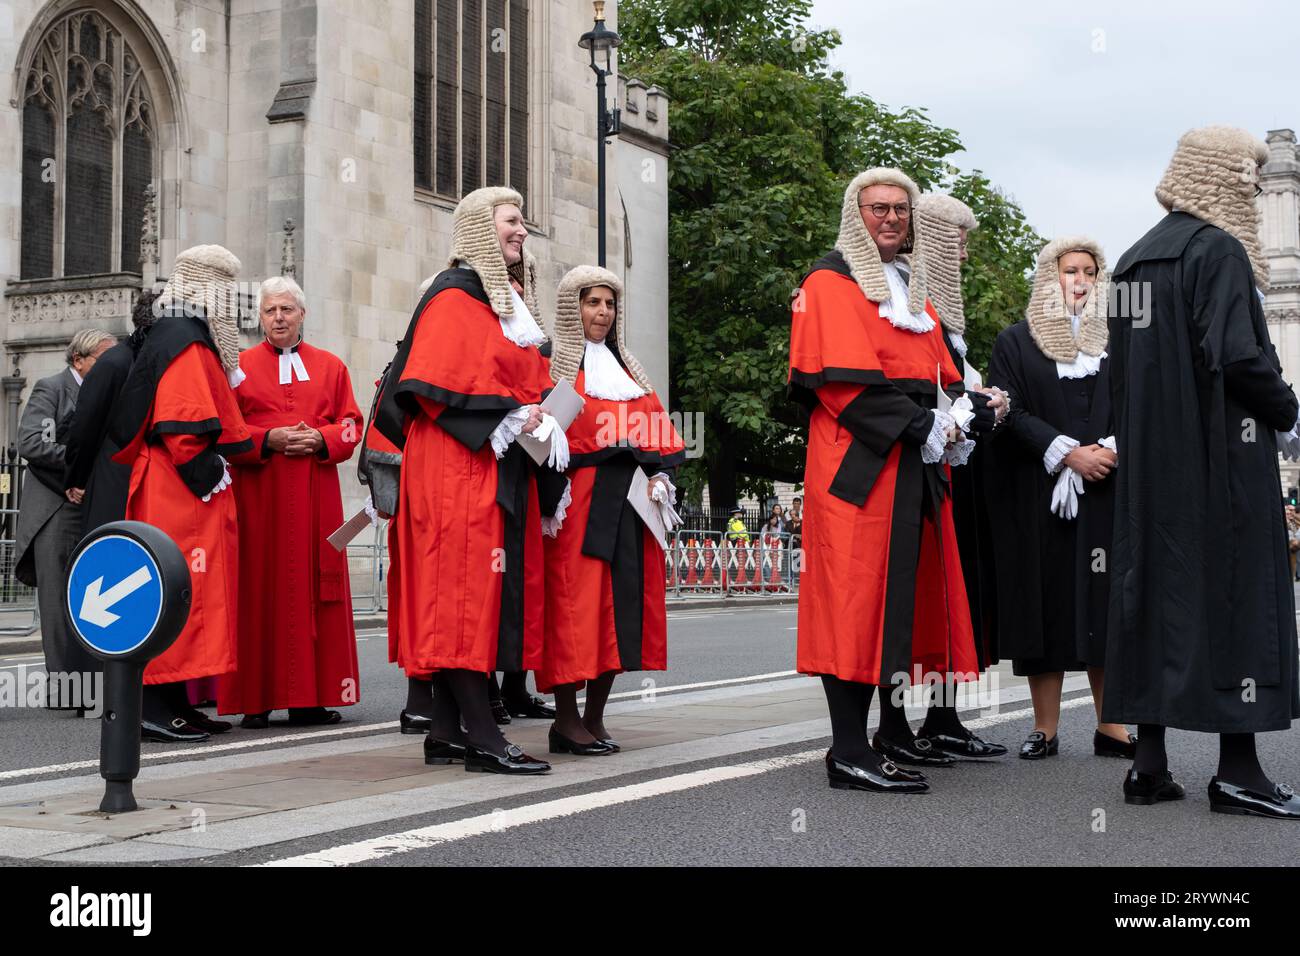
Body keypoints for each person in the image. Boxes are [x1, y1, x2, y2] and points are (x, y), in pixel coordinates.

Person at [1104, 126, 1300, 817]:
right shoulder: (1217, 250)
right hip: (1221, 461)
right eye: (1245, 172)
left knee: (1151, 600)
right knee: (1239, 601)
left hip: (1150, 471)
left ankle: (1147, 766)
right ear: (1220, 173)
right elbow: (1239, 358)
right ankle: (1238, 772)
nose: (1252, 184)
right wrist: (1287, 406)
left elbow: (1117, 374)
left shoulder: (1130, 260)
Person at [788, 167, 980, 794]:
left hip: (910, 463)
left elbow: (942, 374)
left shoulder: (911, 290)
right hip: (859, 466)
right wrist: (921, 424)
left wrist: (955, 414)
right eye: (878, 209)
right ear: (856, 214)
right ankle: (846, 749)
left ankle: (885, 736)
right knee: (853, 603)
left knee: (897, 604)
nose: (891, 219)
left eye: (901, 209)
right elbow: (842, 382)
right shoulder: (827, 282)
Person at [374, 186, 569, 775]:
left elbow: (515, 378)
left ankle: (445, 731)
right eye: (512, 221)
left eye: (523, 223)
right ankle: (483, 737)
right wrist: (515, 413)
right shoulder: (454, 294)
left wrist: (542, 413)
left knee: (478, 593)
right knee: (463, 596)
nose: (522, 231)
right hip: (456, 466)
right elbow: (435, 387)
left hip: (484, 459)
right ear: (481, 228)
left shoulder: (495, 300)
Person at [985, 237, 1133, 761]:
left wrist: (1108, 451)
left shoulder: (1121, 340)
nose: (1080, 280)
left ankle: (1111, 726)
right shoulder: (1016, 342)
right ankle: (1044, 728)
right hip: (1040, 492)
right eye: (1070, 270)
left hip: (1108, 488)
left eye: (1089, 271)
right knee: (1041, 603)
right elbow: (1007, 411)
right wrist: (1066, 453)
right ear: (1051, 276)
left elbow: (1141, 400)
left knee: (1105, 604)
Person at [107, 244, 252, 742]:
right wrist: (209, 472)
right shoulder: (186, 337)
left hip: (168, 484)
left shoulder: (175, 332)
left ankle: (172, 702)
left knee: (181, 592)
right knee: (178, 592)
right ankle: (153, 705)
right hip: (177, 489)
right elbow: (185, 426)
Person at [538, 265, 685, 754]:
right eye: (591, 302)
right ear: (571, 307)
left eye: (609, 303)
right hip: (577, 504)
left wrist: (662, 474)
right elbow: (537, 439)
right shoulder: (554, 368)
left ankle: (595, 717)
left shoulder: (630, 372)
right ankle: (565, 720)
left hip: (632, 505)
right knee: (575, 611)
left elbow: (663, 438)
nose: (602, 312)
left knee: (620, 610)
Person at [217, 276, 363, 729]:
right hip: (260, 497)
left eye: (286, 310)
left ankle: (310, 699)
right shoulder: (238, 367)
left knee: (316, 590)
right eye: (269, 311)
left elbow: (353, 425)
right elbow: (224, 429)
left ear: (302, 314)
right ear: (259, 317)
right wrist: (267, 438)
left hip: (317, 495)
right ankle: (255, 700)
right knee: (257, 588)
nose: (278, 318)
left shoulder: (332, 366)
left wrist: (322, 437)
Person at [909, 192, 1010, 759]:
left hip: (956, 464)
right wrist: (975, 400)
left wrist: (987, 402)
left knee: (959, 591)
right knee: (933, 591)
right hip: (930, 464)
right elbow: (931, 387)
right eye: (959, 240)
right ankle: (920, 721)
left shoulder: (946, 316)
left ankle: (943, 716)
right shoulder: (920, 308)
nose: (966, 252)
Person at [15, 327, 115, 711]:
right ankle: (64, 687)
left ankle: (90, 681)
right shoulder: (51, 388)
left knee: (89, 597)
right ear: (79, 360)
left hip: (87, 505)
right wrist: (79, 464)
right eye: (102, 360)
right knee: (58, 601)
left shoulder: (104, 393)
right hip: (56, 510)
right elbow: (31, 443)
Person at [64, 291, 159, 535]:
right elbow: (85, 425)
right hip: (114, 479)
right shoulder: (115, 362)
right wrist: (78, 477)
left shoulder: (145, 359)